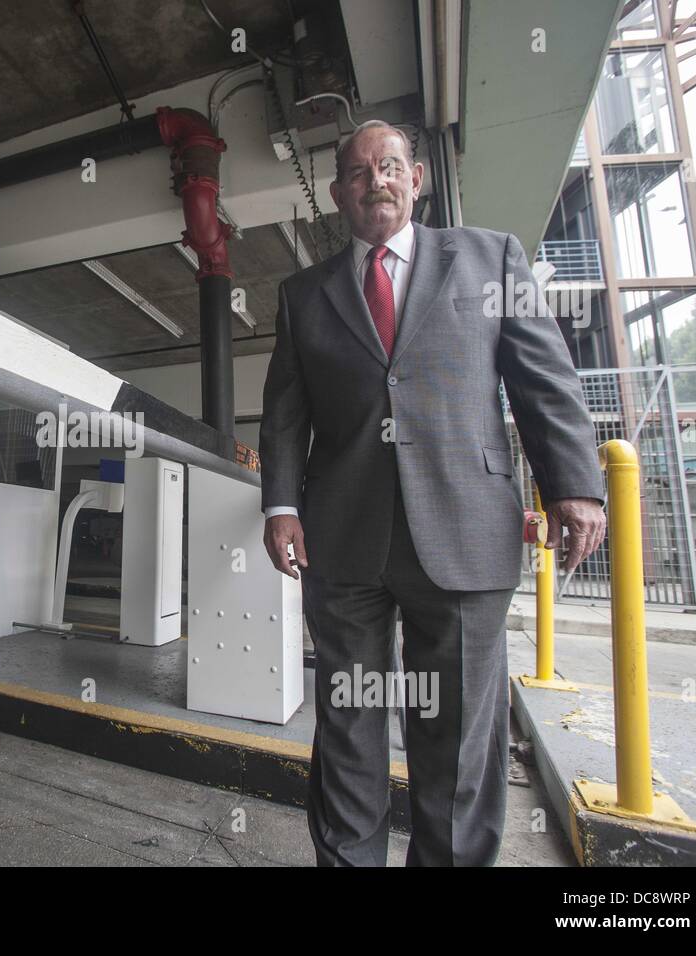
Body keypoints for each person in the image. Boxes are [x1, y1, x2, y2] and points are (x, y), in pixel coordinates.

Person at [258, 120, 607, 866]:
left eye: (388, 166)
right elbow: (286, 412)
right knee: (349, 725)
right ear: (338, 195)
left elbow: (543, 380)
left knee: (455, 739)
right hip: (344, 542)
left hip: (464, 532)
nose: (374, 181)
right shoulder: (302, 295)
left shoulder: (491, 259)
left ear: (416, 178)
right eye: (356, 173)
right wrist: (280, 504)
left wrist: (574, 484)